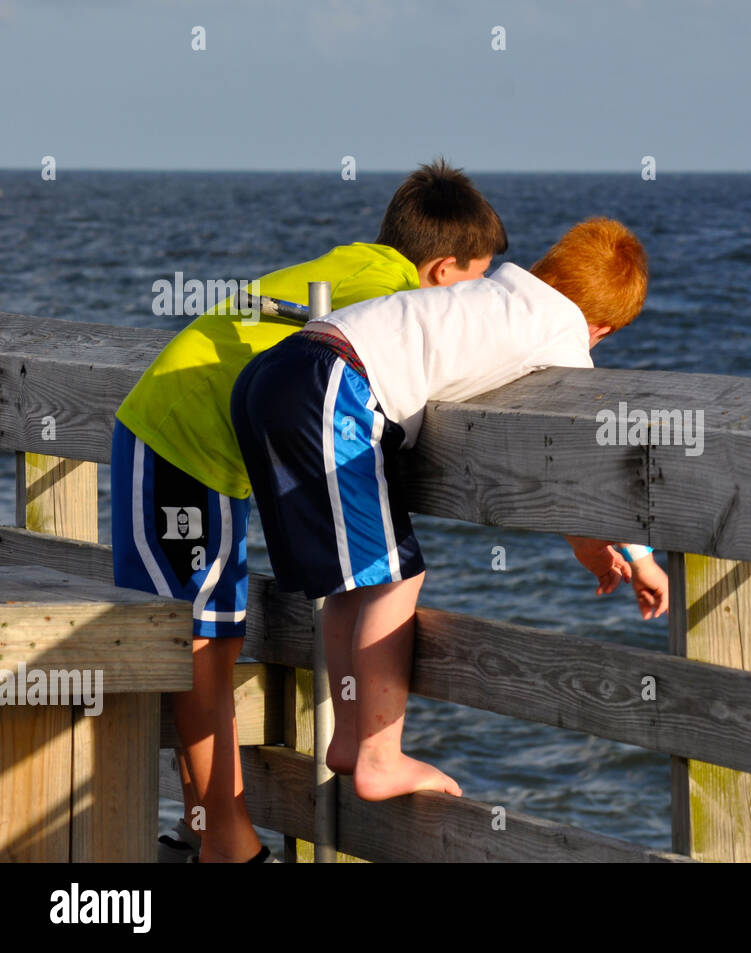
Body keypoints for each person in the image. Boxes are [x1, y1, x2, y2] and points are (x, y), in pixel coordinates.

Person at [112, 159, 507, 862]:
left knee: (209, 640)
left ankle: (203, 825)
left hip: (197, 441)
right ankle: (225, 839)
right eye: (476, 284)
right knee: (202, 646)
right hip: (177, 442)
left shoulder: (361, 266)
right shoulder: (389, 293)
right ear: (443, 272)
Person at [229, 217, 663, 803]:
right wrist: (635, 552)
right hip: (335, 384)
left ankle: (350, 739)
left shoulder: (501, 292)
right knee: (395, 577)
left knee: (351, 584)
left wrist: (586, 541)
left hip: (277, 372)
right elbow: (571, 459)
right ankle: (380, 756)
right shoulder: (562, 333)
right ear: (603, 328)